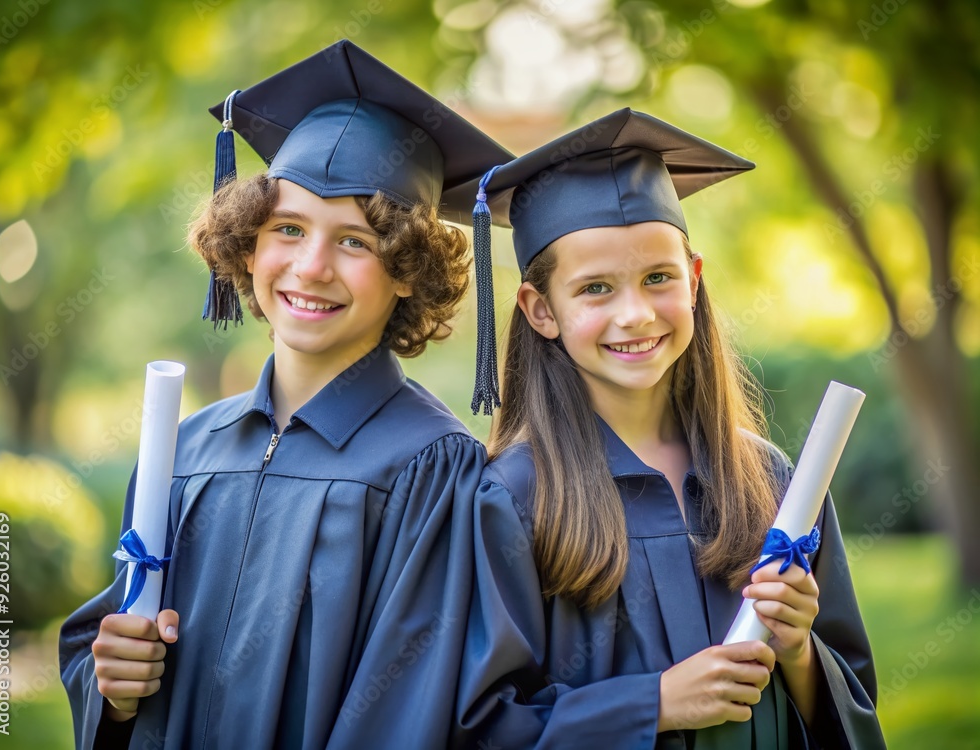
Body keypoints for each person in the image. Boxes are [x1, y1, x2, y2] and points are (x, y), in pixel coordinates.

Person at [59, 39, 514, 750]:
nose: (311, 267)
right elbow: (110, 654)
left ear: (407, 271)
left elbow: (411, 715)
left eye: (356, 243)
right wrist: (112, 690)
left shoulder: (434, 470)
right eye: (289, 230)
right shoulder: (186, 450)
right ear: (246, 245)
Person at [452, 109, 886, 748]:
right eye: (596, 288)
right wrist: (651, 705)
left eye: (658, 279)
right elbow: (480, 725)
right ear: (541, 310)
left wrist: (797, 649)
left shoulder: (771, 480)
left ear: (695, 280)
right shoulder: (512, 498)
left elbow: (852, 698)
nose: (635, 314)